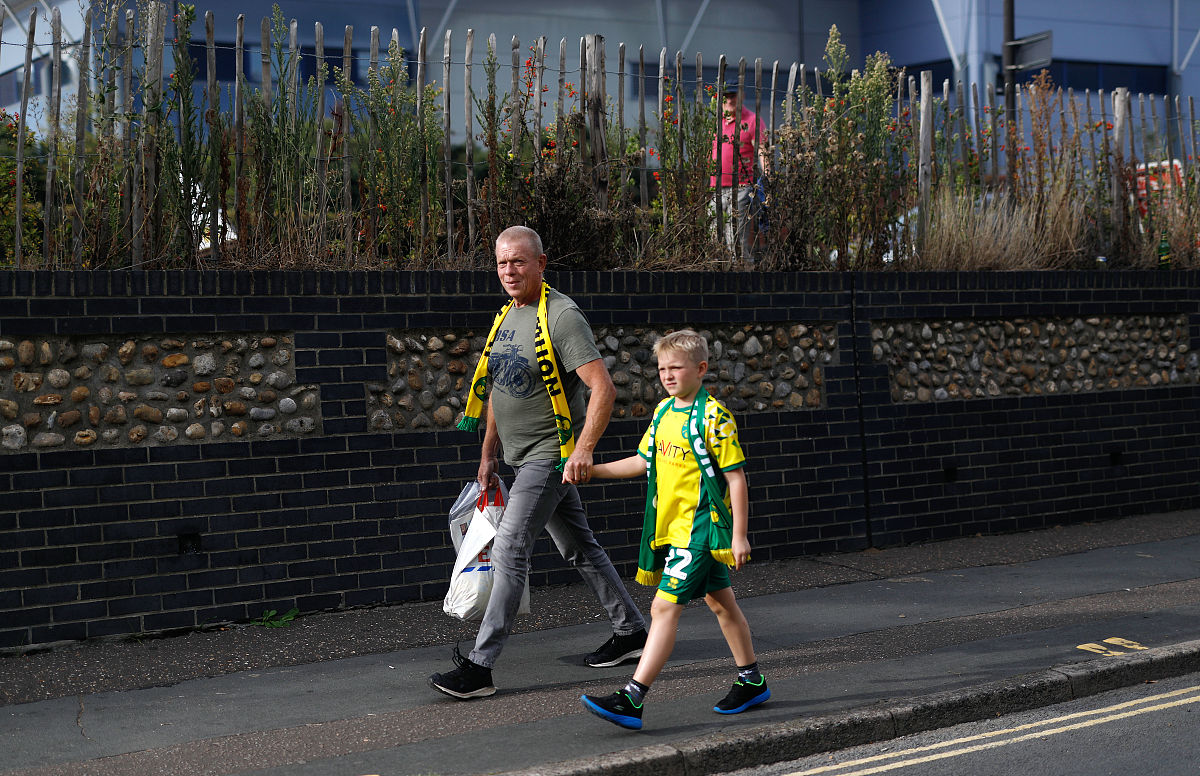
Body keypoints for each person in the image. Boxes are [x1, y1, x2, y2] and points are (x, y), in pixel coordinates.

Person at [429, 225, 648, 700]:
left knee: (510, 548)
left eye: (519, 261)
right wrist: (487, 454)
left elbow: (603, 389)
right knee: (578, 547)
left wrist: (584, 448)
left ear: (541, 264)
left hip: (549, 457)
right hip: (515, 456)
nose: (510, 270)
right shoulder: (509, 315)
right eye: (502, 263)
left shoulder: (562, 316)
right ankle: (631, 630)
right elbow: (497, 391)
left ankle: (480, 667)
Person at [579, 329, 769, 730]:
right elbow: (641, 461)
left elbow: (736, 478)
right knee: (721, 604)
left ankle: (632, 698)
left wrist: (739, 534)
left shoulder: (714, 417)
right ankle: (751, 680)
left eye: (676, 368)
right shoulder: (664, 412)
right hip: (674, 530)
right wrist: (589, 471)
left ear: (700, 369)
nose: (667, 375)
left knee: (663, 608)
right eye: (662, 368)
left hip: (699, 530)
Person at [712, 85, 770, 260]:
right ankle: (720, 272)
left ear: (742, 96)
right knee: (713, 232)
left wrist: (767, 173)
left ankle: (741, 274)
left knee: (735, 236)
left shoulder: (752, 120)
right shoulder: (716, 122)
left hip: (742, 186)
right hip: (716, 187)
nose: (729, 100)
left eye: (733, 96)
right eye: (726, 96)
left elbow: (761, 149)